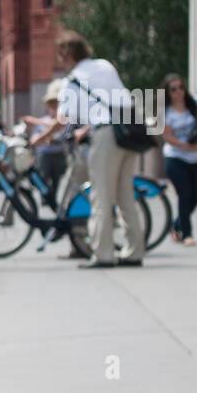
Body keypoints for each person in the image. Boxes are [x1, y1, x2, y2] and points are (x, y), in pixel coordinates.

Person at [54, 30, 145, 268]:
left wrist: (42, 137)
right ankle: (134, 251)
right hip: (128, 129)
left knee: (101, 196)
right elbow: (115, 99)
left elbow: (64, 117)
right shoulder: (104, 66)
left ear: (68, 54)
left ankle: (103, 253)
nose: (59, 61)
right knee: (126, 195)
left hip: (106, 134)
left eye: (60, 56)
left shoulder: (72, 80)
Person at [158, 74, 197, 245]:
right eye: (173, 89)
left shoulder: (193, 101)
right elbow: (168, 136)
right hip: (176, 156)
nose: (178, 92)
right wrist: (186, 146)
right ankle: (187, 234)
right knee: (185, 193)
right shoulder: (165, 110)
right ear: (167, 92)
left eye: (181, 87)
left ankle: (175, 225)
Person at [23, 79, 69, 198]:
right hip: (46, 155)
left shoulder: (68, 112)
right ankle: (47, 198)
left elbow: (61, 125)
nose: (53, 107)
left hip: (59, 154)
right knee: (43, 176)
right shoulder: (46, 119)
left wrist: (41, 134)